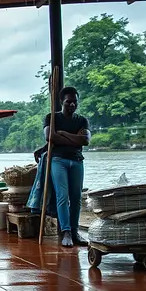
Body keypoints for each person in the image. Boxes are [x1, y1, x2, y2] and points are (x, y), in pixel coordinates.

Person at [45, 86, 90, 247]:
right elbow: (50, 137)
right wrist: (74, 138)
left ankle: (75, 231)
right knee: (62, 196)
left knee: (76, 198)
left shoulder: (82, 120)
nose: (72, 105)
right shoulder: (52, 118)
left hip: (77, 161)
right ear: (61, 102)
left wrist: (63, 134)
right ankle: (66, 232)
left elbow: (85, 140)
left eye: (75, 102)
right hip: (58, 160)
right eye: (68, 102)